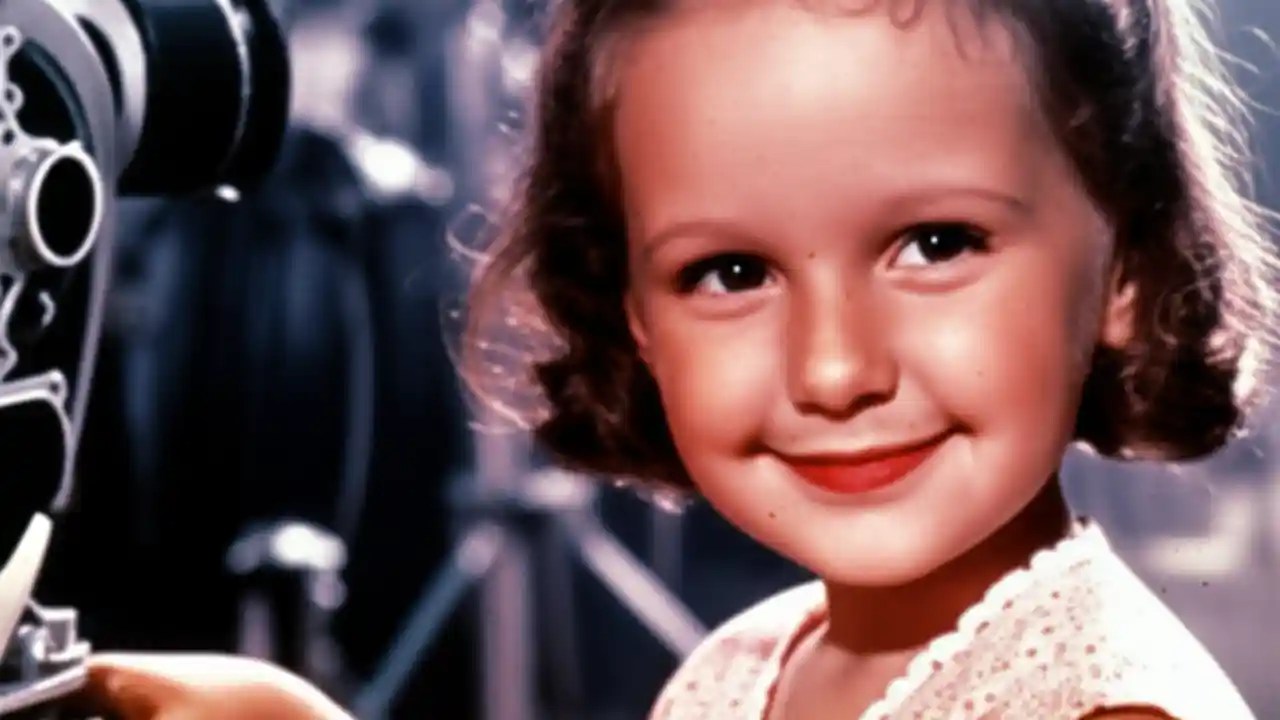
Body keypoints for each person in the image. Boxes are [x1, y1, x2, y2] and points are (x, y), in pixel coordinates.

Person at [76, 0, 1276, 718]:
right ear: (634, 316)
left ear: (1123, 266)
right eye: (732, 273)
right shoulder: (747, 663)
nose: (834, 367)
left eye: (933, 244)